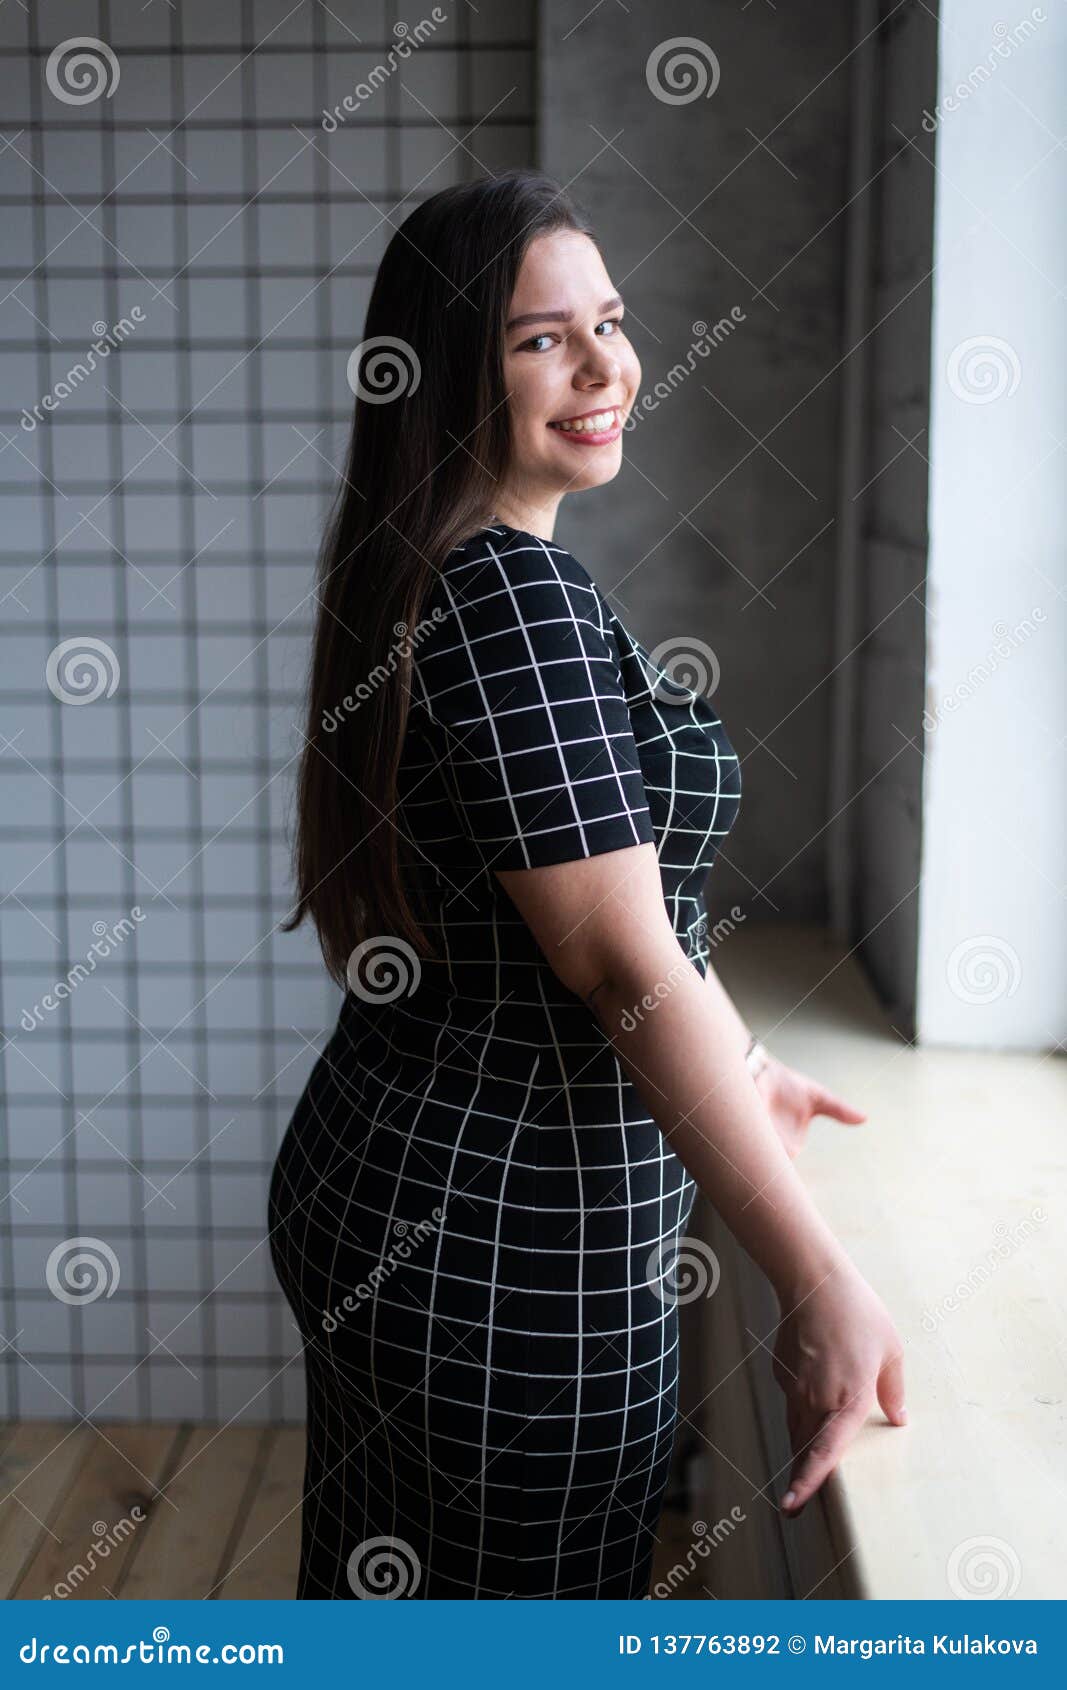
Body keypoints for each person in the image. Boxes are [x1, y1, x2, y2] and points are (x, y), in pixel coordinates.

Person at [267, 169, 906, 1601]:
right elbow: (618, 961)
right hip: (506, 1228)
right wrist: (813, 1274)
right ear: (448, 376)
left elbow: (622, 891)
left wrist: (742, 1059)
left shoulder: (435, 571)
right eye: (540, 338)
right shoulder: (511, 595)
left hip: (396, 1175)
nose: (607, 364)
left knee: (399, 1595)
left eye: (608, 321)